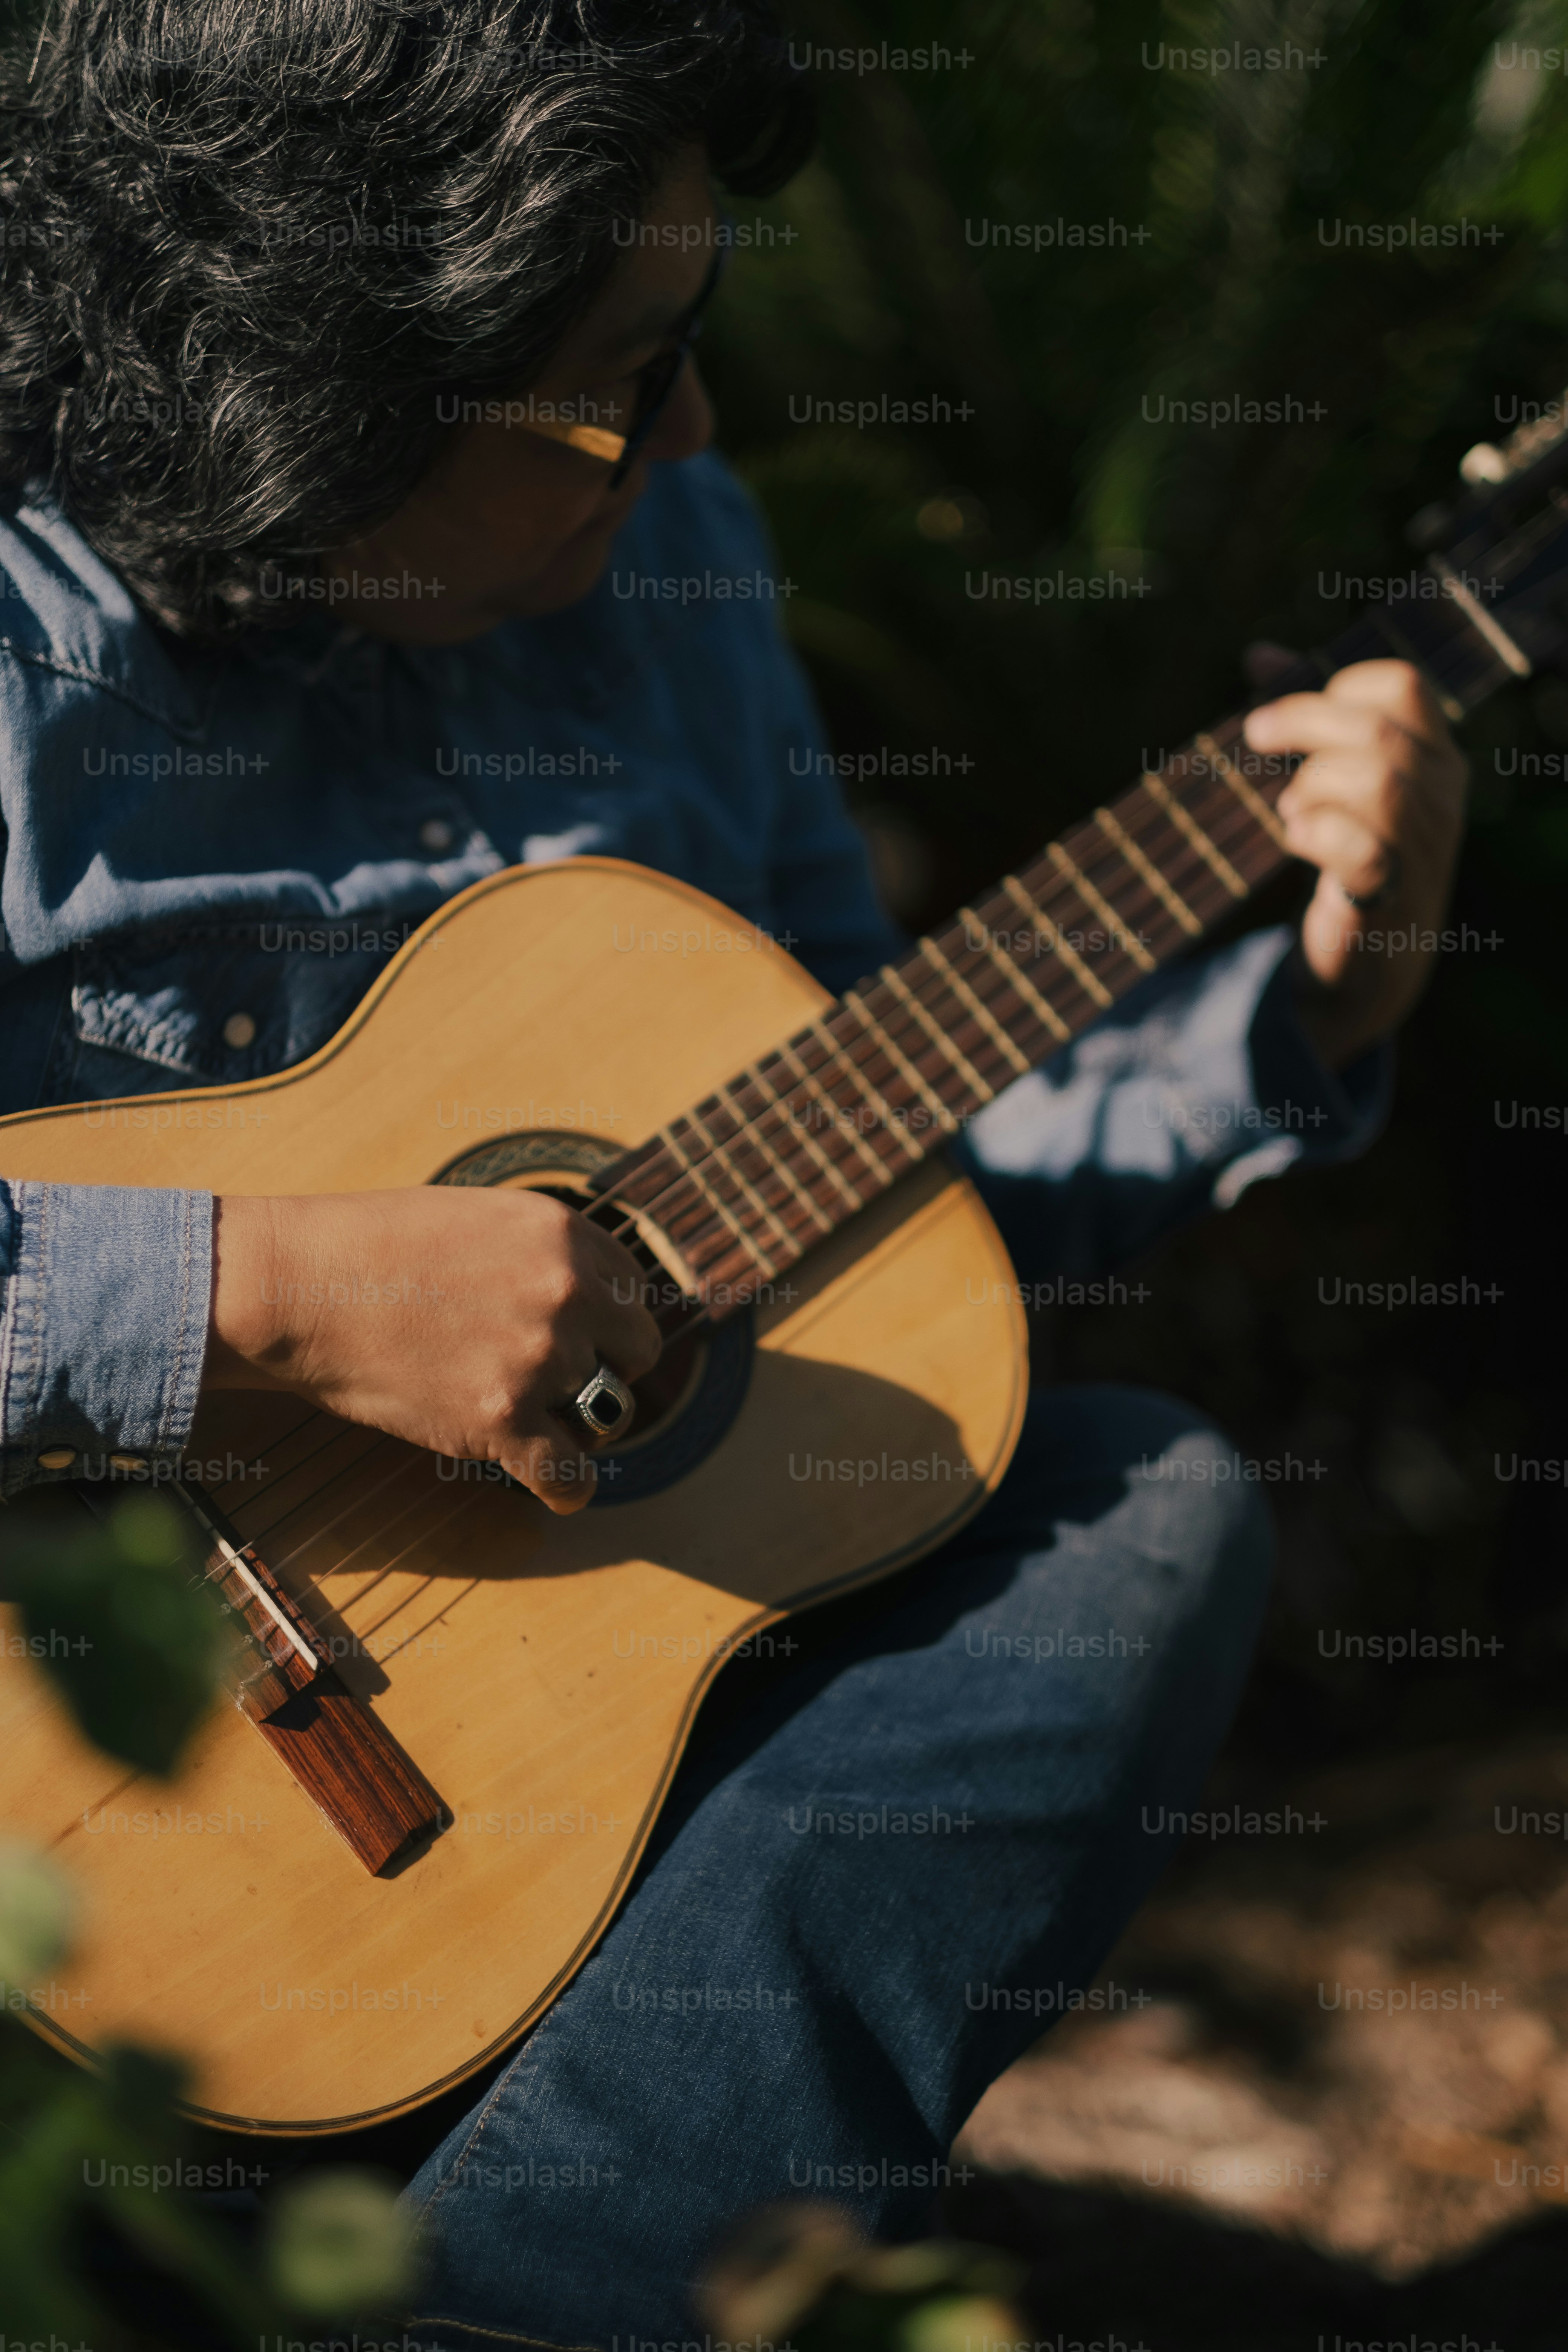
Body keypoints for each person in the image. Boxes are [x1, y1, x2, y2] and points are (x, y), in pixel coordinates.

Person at [0, 4, 1467, 2341]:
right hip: (61, 1863)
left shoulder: (677, 552)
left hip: (485, 1827)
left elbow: (883, 1191)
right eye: (621, 376)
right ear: (323, 396)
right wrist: (263, 1296)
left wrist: (1324, 1003)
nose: (691, 428)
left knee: (1135, 1513)